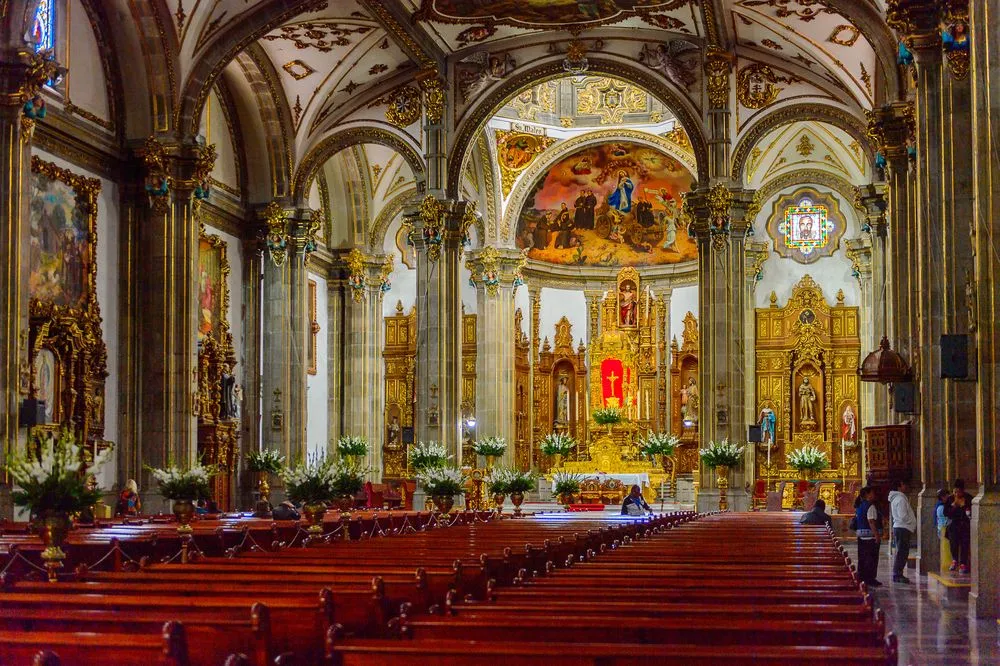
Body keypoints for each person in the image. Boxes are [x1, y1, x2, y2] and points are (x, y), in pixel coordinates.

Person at [888, 479, 916, 583]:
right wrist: (911, 522)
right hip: (903, 527)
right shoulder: (900, 499)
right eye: (904, 484)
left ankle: (898, 573)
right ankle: (897, 574)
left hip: (901, 527)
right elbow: (903, 515)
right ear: (900, 485)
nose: (906, 486)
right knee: (902, 553)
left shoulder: (898, 498)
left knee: (902, 552)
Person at [854, 486, 882, 587]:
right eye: (872, 493)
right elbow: (871, 521)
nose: (874, 495)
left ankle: (862, 578)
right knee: (871, 559)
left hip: (861, 536)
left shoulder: (860, 505)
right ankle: (870, 579)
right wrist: (877, 536)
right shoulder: (870, 506)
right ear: (867, 494)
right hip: (870, 536)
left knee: (863, 558)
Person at [946, 479, 971, 574]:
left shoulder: (968, 498)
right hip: (954, 525)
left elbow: (971, 511)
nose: (957, 494)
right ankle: (955, 560)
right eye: (955, 491)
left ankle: (963, 563)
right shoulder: (950, 499)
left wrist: (964, 507)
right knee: (953, 544)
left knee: (964, 544)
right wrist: (954, 506)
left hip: (964, 525)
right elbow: (946, 513)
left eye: (959, 491)